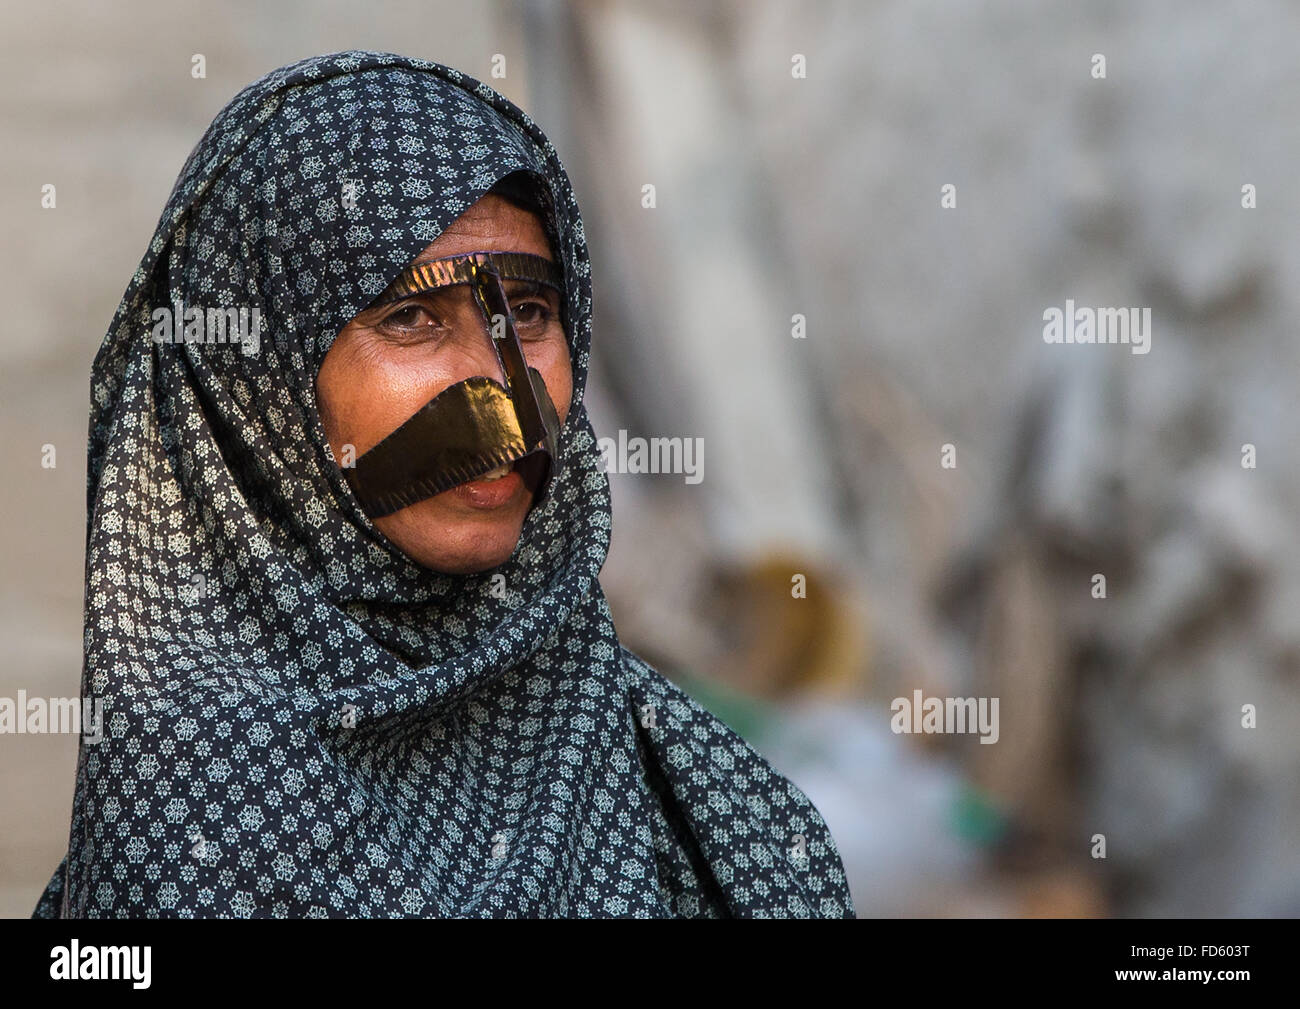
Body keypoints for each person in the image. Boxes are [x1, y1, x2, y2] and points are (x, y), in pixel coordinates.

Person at [32, 51, 854, 918]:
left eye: (531, 314)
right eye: (412, 318)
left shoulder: (728, 819)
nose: (504, 389)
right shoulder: (195, 825)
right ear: (255, 382)